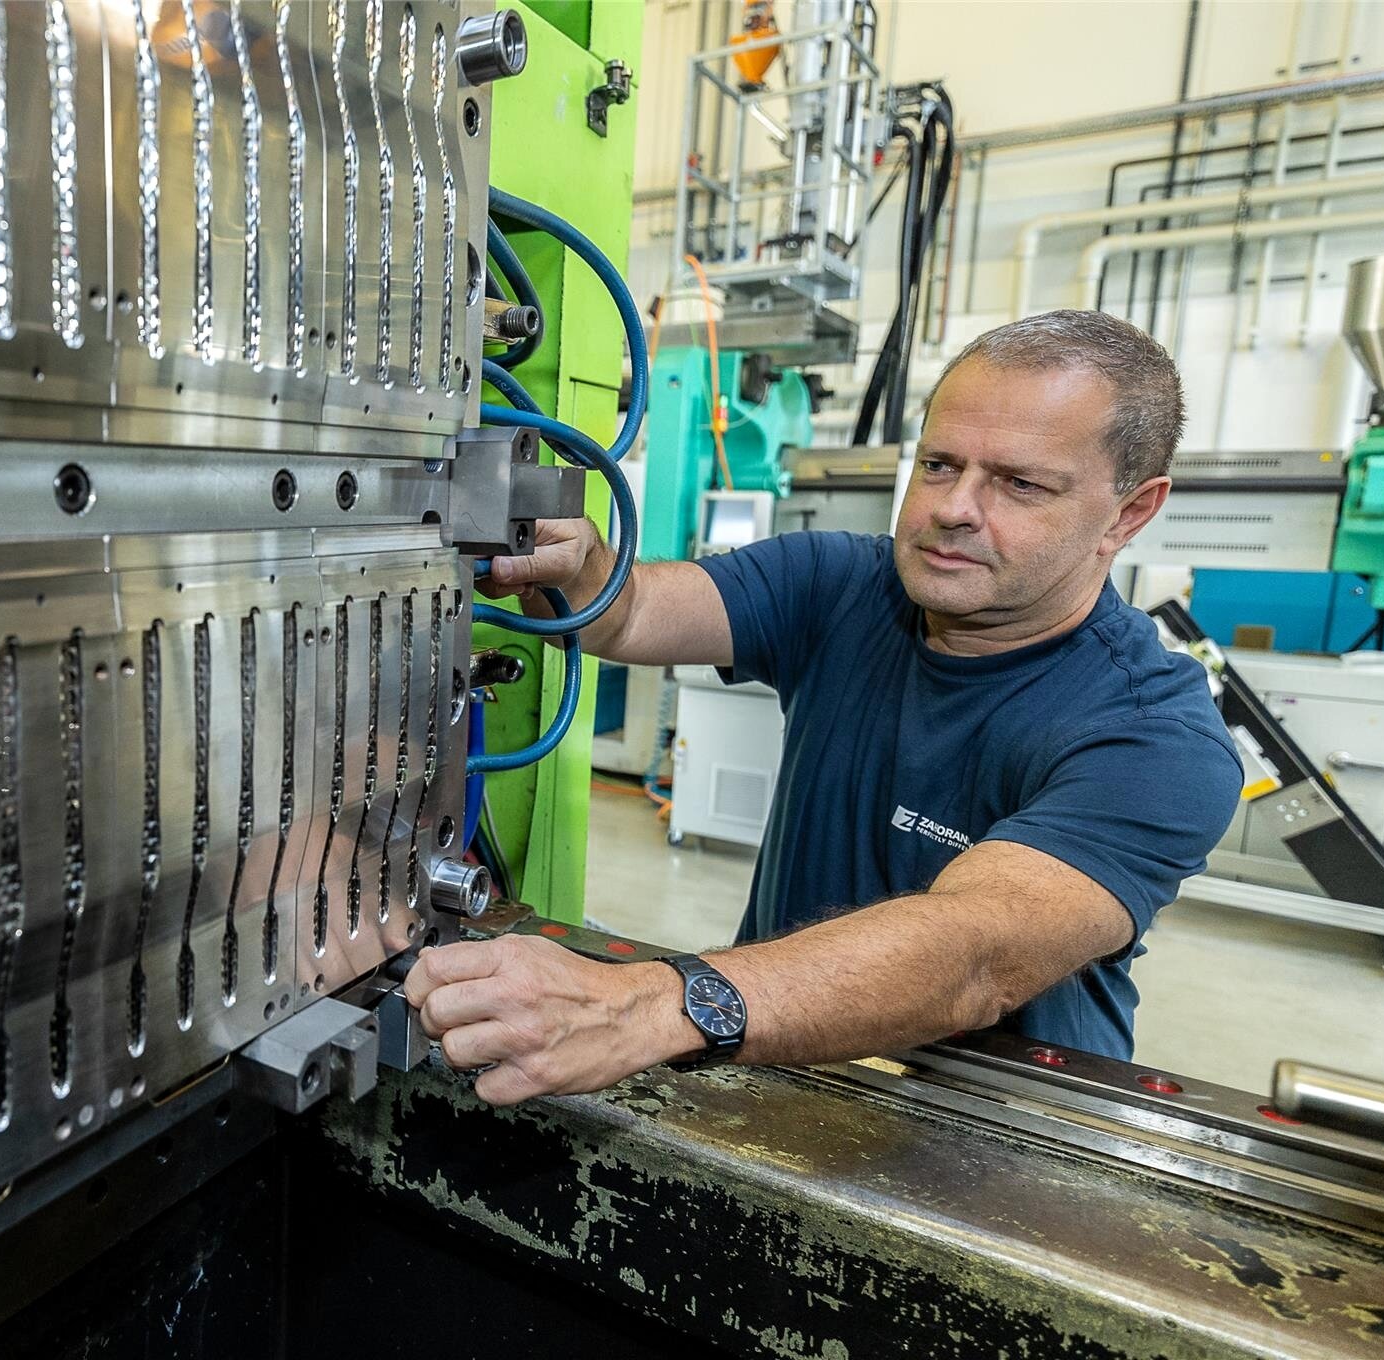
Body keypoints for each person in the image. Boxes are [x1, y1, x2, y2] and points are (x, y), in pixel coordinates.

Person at [408, 310, 1243, 1106]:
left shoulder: (1155, 736)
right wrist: (576, 562)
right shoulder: (846, 585)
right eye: (940, 464)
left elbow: (971, 958)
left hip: (996, 1141)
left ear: (1129, 513)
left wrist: (648, 1007)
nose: (954, 508)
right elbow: (628, 612)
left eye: (1020, 484)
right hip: (772, 1057)